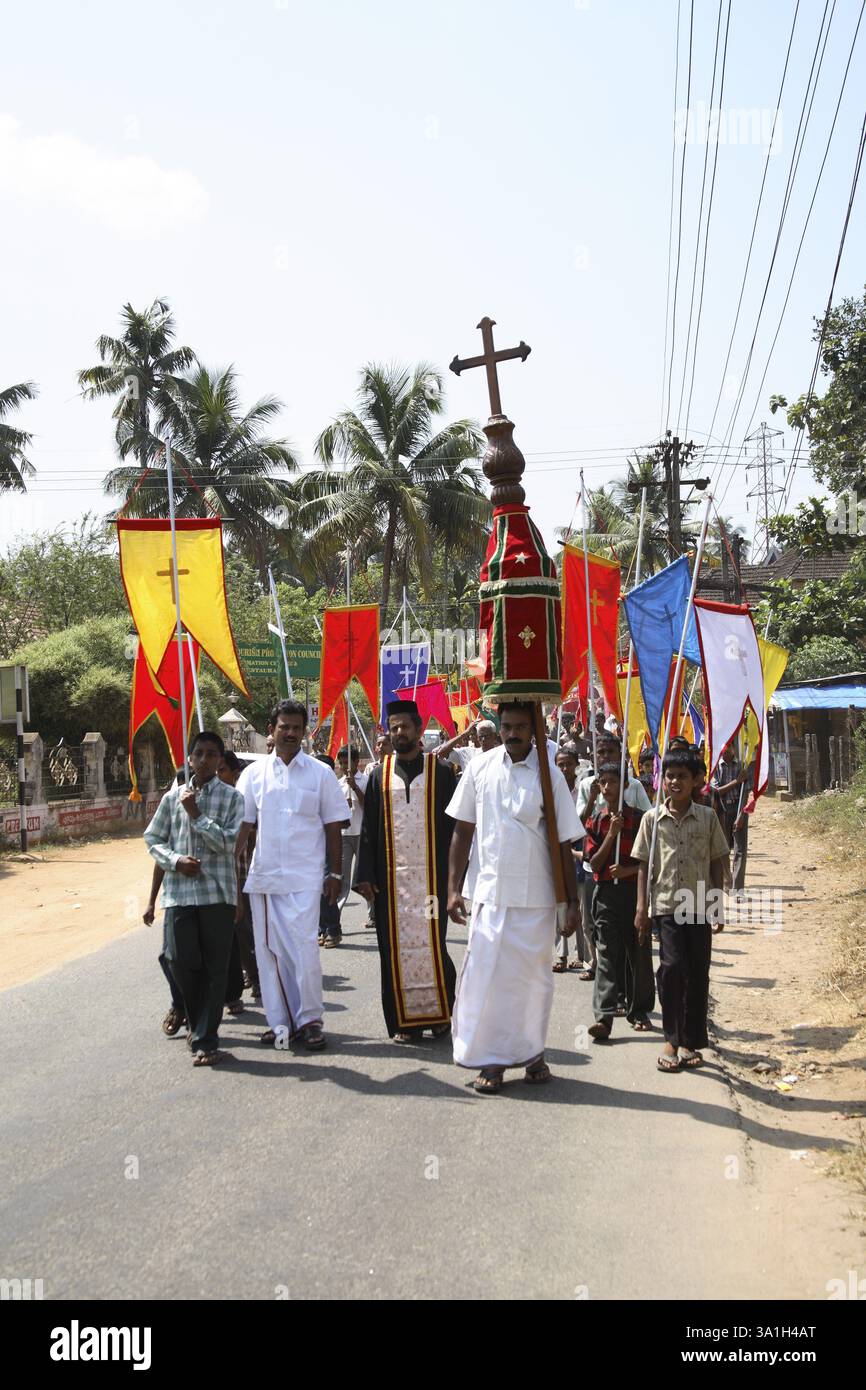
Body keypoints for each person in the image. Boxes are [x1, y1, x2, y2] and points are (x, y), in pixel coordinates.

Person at [446, 701, 582, 1094]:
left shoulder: (550, 775)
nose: (512, 733)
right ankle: (492, 1061)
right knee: (485, 980)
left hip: (537, 898)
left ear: (534, 728)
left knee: (532, 982)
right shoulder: (479, 768)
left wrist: (570, 903)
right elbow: (462, 830)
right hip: (490, 893)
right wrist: (454, 888)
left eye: (521, 726)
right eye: (506, 726)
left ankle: (533, 1054)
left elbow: (562, 841)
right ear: (498, 726)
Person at [235, 700, 349, 1052]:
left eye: (296, 727)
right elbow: (244, 826)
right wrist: (230, 869)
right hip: (266, 878)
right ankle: (280, 1023)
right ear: (271, 730)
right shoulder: (253, 776)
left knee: (304, 951)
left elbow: (333, 826)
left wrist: (335, 872)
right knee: (270, 953)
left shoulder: (320, 773)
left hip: (306, 877)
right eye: (283, 726)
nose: (290, 732)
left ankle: (311, 1020)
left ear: (304, 731)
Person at [355, 700, 458, 1043]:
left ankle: (441, 1014)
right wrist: (365, 876)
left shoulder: (441, 772)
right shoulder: (377, 776)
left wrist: (455, 880)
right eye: (393, 727)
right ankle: (405, 1022)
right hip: (391, 886)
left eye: (405, 727)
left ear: (417, 729)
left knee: (432, 944)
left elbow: (456, 828)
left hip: (432, 884)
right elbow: (368, 829)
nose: (399, 732)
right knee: (393, 950)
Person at [143, 730, 245, 1066]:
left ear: (219, 760)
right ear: (189, 758)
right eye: (198, 753)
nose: (204, 760)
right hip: (179, 896)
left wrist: (197, 815)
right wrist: (175, 861)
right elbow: (153, 839)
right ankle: (189, 1010)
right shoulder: (173, 799)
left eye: (211, 754)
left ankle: (205, 1039)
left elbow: (228, 844)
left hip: (217, 894)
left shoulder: (232, 798)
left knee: (216, 969)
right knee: (179, 960)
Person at [632, 749, 729, 1073]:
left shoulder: (707, 817)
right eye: (670, 776)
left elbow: (717, 861)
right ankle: (671, 1040)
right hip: (667, 905)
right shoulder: (652, 820)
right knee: (672, 969)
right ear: (663, 780)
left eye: (682, 777)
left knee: (697, 974)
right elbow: (644, 864)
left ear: (695, 781)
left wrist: (717, 905)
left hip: (699, 906)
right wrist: (641, 907)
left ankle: (690, 1040)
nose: (675, 782)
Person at [583, 762, 652, 1038]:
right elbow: (595, 862)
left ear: (625, 785)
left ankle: (639, 1010)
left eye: (614, 782)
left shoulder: (640, 819)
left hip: (633, 892)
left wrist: (627, 871)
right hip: (606, 895)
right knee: (607, 954)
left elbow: (650, 862)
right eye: (604, 782)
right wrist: (611, 834)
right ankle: (604, 1017)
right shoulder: (597, 821)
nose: (608, 787)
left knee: (638, 953)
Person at [552, 746, 588, 973]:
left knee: (581, 902)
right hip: (556, 850)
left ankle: (583, 955)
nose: (564, 768)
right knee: (560, 904)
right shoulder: (550, 788)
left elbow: (582, 820)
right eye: (560, 764)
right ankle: (560, 954)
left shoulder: (583, 789)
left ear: (576, 765)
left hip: (579, 847)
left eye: (568, 764)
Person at [334, 744, 368, 943]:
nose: (345, 766)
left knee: (364, 877)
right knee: (343, 878)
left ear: (357, 762)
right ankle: (334, 919)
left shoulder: (366, 780)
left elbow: (368, 805)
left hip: (362, 833)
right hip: (345, 835)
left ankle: (373, 915)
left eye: (349, 762)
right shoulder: (338, 784)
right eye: (342, 763)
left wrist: (355, 787)